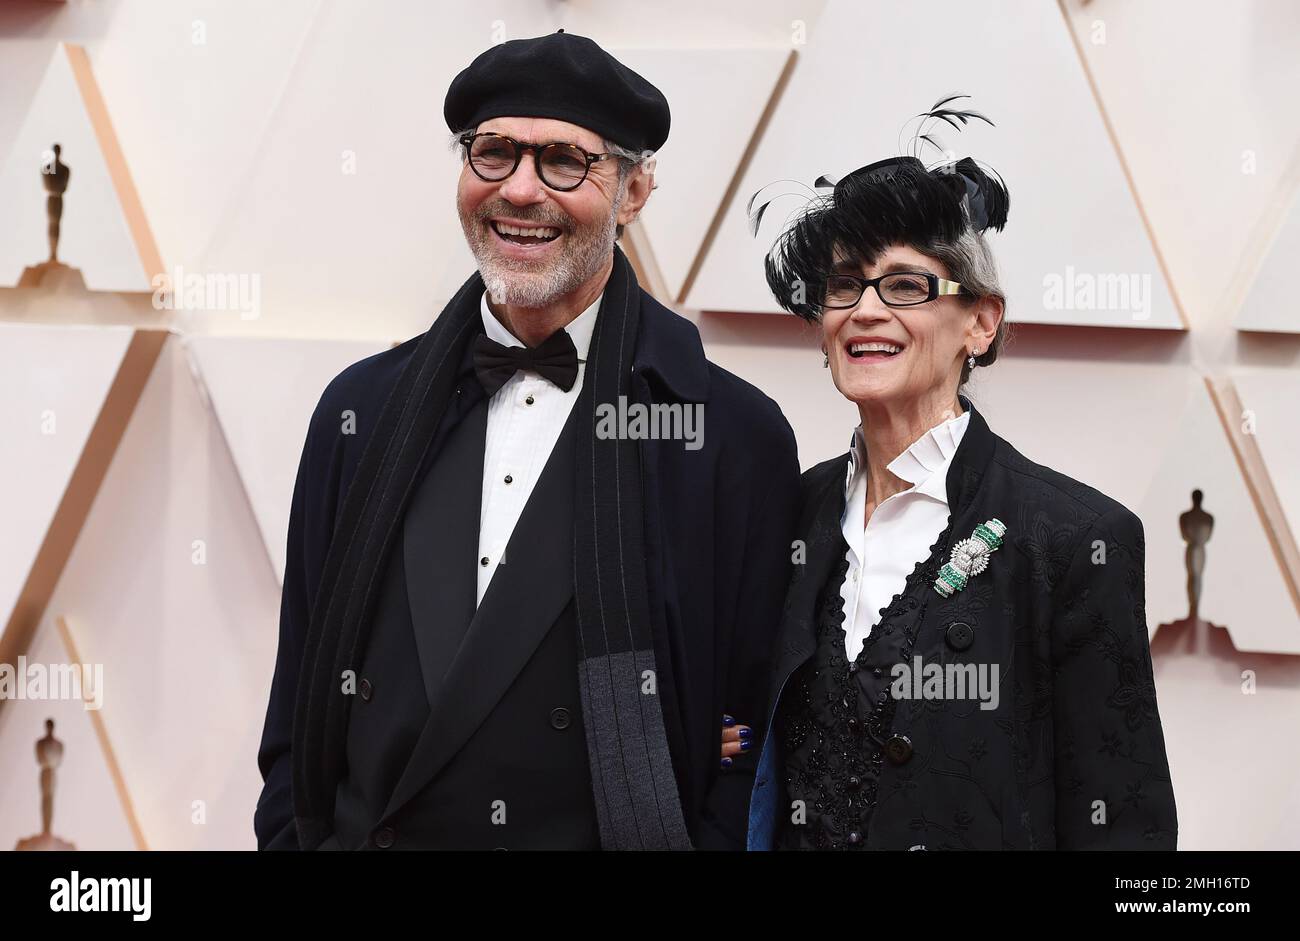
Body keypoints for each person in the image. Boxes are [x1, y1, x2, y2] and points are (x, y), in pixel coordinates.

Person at [255, 30, 799, 851]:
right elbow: (299, 697)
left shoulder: (730, 436)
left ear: (635, 189)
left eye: (564, 162)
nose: (520, 190)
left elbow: (748, 737)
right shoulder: (358, 411)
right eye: (494, 153)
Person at [745, 99, 1176, 850]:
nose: (865, 310)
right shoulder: (789, 511)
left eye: (906, 285)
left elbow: (1125, 828)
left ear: (980, 322)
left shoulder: (1074, 541)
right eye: (844, 286)